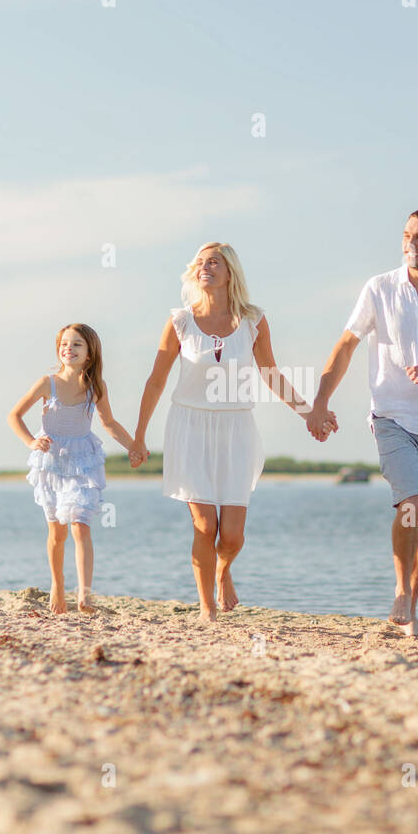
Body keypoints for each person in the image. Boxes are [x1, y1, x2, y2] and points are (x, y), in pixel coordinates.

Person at [304, 208, 418, 637]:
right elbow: (347, 345)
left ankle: (411, 604)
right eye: (407, 235)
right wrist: (320, 402)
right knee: (411, 501)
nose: (412, 243)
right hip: (392, 414)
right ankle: (399, 591)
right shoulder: (380, 289)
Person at [130, 242, 313, 621]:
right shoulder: (179, 321)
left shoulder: (254, 322)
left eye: (213, 262)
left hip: (235, 429)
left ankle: (223, 569)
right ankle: (206, 608)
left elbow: (271, 374)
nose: (205, 267)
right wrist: (139, 436)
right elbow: (156, 381)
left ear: (230, 271)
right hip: (189, 426)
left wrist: (308, 413)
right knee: (203, 524)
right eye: (200, 262)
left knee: (231, 536)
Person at [7, 323, 139, 615]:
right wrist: (31, 441)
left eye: (77, 344)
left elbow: (109, 423)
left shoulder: (96, 388)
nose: (69, 348)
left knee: (80, 525)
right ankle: (57, 584)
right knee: (57, 533)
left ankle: (85, 594)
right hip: (51, 462)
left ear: (90, 354)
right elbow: (14, 415)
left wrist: (133, 445)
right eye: (64, 343)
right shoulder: (47, 383)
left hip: (83, 461)